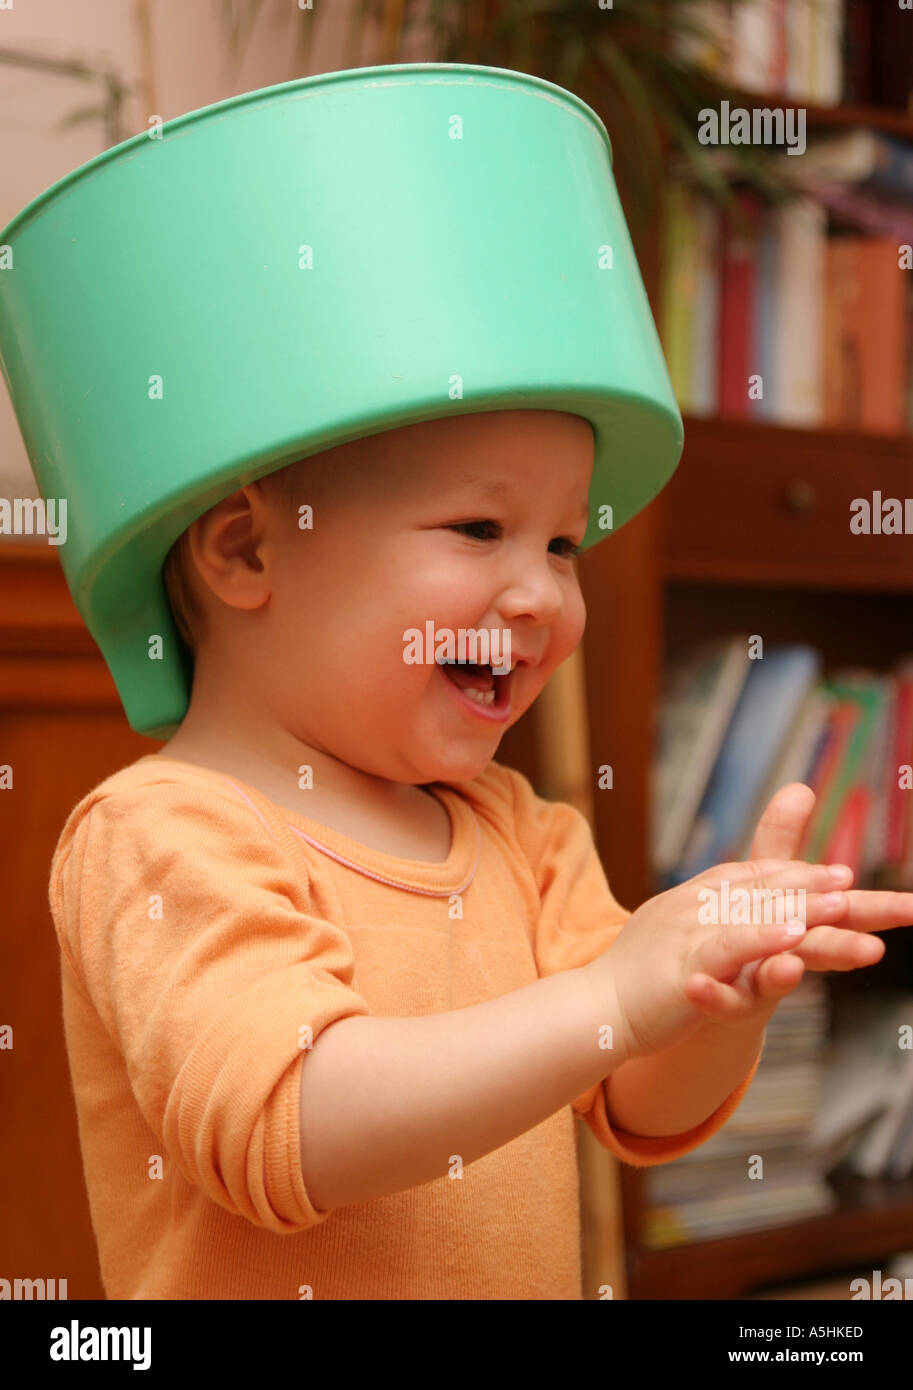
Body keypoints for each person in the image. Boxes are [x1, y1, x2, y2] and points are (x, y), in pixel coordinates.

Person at [47, 406, 913, 1299]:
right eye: (479, 529)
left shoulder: (523, 830)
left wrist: (712, 1005)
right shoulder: (163, 833)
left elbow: (636, 1096)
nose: (542, 593)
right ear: (247, 553)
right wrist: (612, 990)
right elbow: (297, 1125)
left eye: (562, 545)